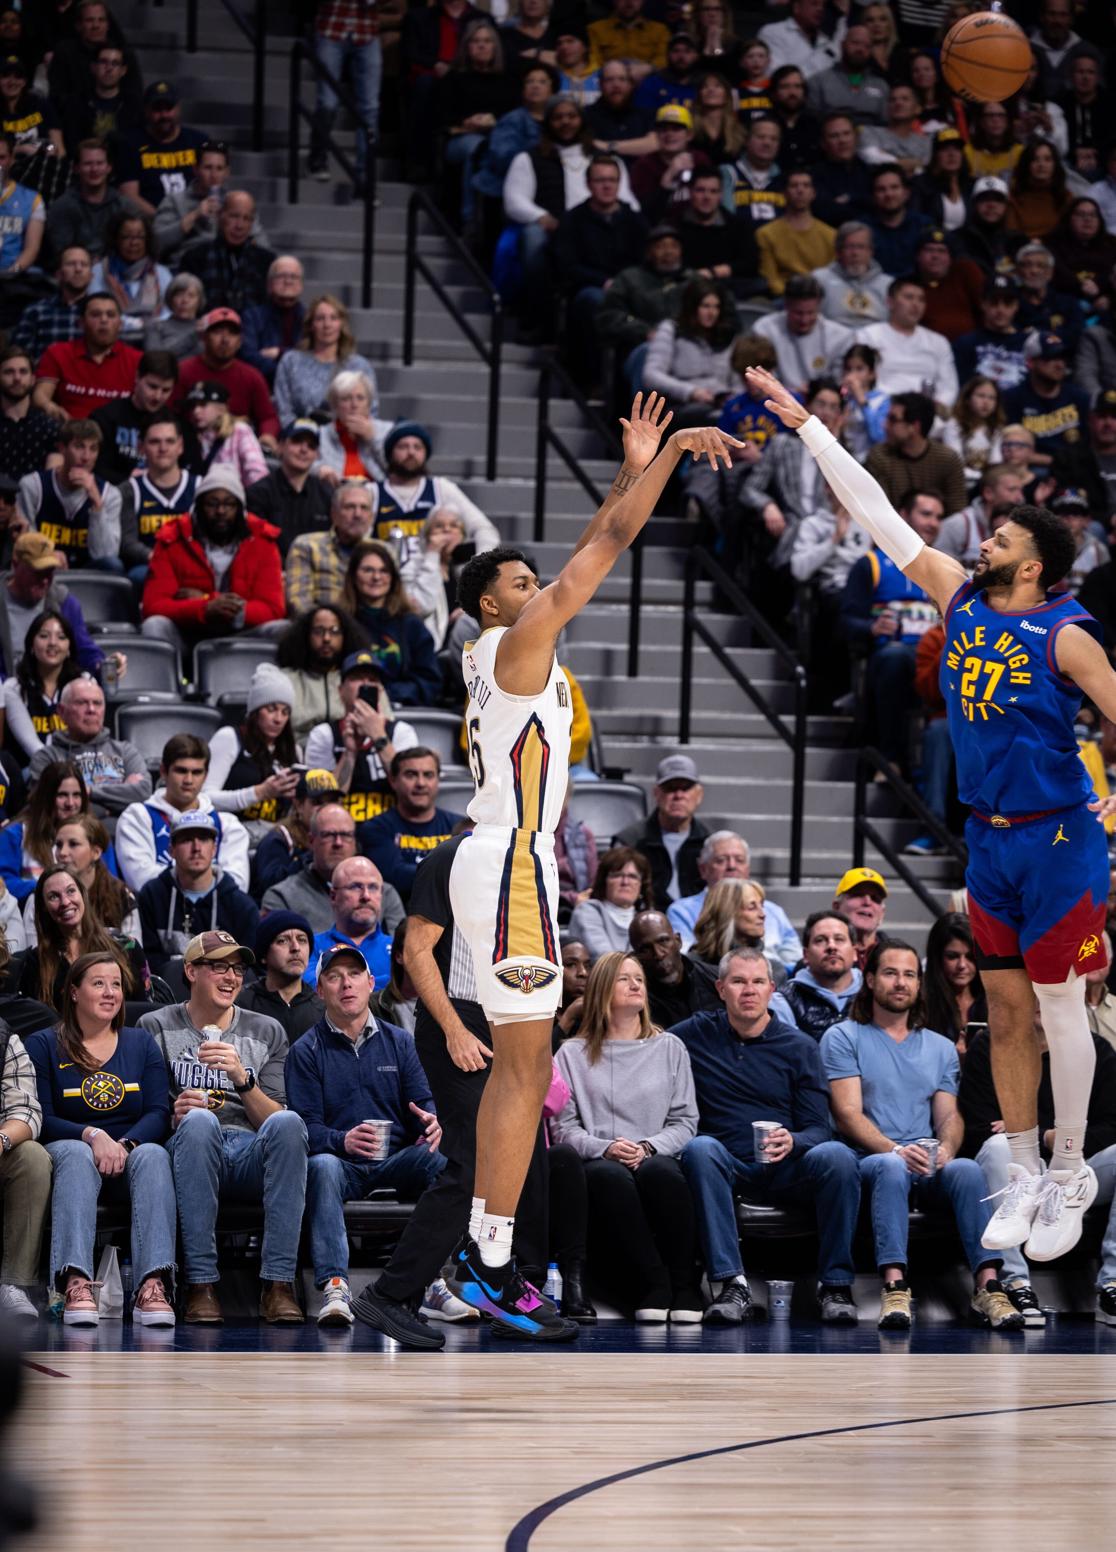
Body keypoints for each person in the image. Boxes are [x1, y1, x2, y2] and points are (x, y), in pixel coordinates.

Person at [751, 356, 1116, 1260]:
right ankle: (1026, 1167)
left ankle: (1071, 1168)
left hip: (1063, 835)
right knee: (1004, 1010)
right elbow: (876, 511)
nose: (979, 541)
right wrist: (810, 427)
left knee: (1063, 1007)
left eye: (997, 537)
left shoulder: (1067, 633)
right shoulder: (956, 594)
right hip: (987, 840)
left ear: (1033, 563)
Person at [444, 397, 740, 1335]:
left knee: (519, 1075)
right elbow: (606, 545)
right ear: (489, 604)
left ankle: (485, 1250)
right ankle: (486, 1256)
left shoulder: (510, 652)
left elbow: (596, 537)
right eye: (522, 581)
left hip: (498, 862)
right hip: (510, 867)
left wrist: (632, 464)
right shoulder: (513, 643)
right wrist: (669, 459)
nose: (541, 589)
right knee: (523, 1075)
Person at [353, 830, 551, 1347]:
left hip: (512, 1019)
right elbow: (416, 950)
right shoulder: (453, 855)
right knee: (471, 1163)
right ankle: (392, 1294)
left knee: (518, 1159)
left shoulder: (537, 857)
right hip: (457, 1021)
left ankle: (496, 1279)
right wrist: (453, 1030)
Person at [821, 940, 1024, 1331]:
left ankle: (989, 1287)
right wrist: (895, 1149)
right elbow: (847, 1113)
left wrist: (947, 1146)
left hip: (925, 1162)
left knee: (966, 1169)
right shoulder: (844, 1036)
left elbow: (949, 1114)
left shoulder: (942, 1047)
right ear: (870, 979)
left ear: (920, 983)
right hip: (870, 1161)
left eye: (909, 974)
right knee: (889, 1167)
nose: (901, 983)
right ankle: (895, 1288)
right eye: (891, 973)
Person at [676, 946, 862, 1324]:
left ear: (771, 990)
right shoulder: (694, 1034)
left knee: (838, 1156)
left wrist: (794, 1141)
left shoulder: (799, 1046)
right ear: (720, 988)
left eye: (758, 981)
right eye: (738, 981)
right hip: (727, 1165)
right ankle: (732, 1284)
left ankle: (835, 1285)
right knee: (699, 1147)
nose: (749, 990)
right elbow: (645, 1041)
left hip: (789, 1167)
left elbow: (819, 1128)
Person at [141, 929, 306, 1324]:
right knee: (198, 1122)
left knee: (290, 1123)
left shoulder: (266, 1030)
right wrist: (173, 1113)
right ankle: (200, 1284)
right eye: (218, 967)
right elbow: (146, 1111)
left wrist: (241, 1078)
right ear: (191, 971)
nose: (231, 977)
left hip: (249, 1151)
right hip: (189, 1148)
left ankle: (279, 1285)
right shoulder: (154, 1026)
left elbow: (275, 1122)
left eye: (237, 969)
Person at [285, 942, 445, 1327]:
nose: (346, 984)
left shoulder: (401, 1042)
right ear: (319, 990)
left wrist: (435, 1121)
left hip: (395, 1160)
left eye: (354, 975)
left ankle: (431, 1282)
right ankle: (335, 1285)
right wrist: (342, 1140)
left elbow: (423, 1101)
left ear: (371, 982)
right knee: (321, 1166)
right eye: (334, 977)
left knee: (439, 1160)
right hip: (341, 1163)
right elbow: (304, 1127)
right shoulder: (305, 1051)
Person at [549, 950, 702, 1321]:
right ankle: (654, 1283)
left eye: (639, 979)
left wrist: (649, 1146)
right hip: (602, 1159)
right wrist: (606, 1148)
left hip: (656, 1153)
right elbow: (562, 1128)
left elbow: (685, 1121)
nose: (636, 984)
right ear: (602, 989)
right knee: (607, 1175)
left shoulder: (669, 1047)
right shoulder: (572, 1053)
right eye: (624, 978)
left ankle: (686, 1286)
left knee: (660, 1172)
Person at [27, 952, 176, 1327]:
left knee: (155, 1154)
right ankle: (75, 1283)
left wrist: (124, 1145)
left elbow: (159, 1112)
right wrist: (93, 1135)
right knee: (77, 1154)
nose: (110, 992)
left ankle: (152, 1285)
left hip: (129, 1153)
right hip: (70, 1147)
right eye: (98, 984)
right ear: (73, 992)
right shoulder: (43, 1045)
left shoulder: (140, 1043)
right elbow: (41, 1117)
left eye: (115, 984)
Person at [141, 467, 286, 655]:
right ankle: (166, 683)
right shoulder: (172, 538)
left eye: (229, 504)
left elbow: (274, 609)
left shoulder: (262, 540)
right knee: (154, 625)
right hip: (188, 632)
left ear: (240, 509)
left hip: (242, 633)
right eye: (212, 504)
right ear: (199, 506)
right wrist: (204, 608)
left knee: (283, 629)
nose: (221, 511)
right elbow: (153, 606)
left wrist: (211, 601)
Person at [115, 732, 249, 896]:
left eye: (197, 772)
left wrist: (180, 875)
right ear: (164, 771)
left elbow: (238, 885)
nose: (189, 780)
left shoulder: (227, 824)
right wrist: (205, 876)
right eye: (181, 771)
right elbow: (142, 881)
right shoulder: (137, 817)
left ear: (206, 775)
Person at [136, 810, 259, 977]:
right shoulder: (151, 896)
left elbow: (247, 970)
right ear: (172, 849)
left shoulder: (241, 906)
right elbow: (146, 962)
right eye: (187, 840)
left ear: (214, 849)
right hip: (165, 996)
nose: (196, 848)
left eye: (203, 839)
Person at [303, 648, 418, 823]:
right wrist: (350, 752)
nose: (365, 684)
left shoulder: (401, 732)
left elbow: (411, 792)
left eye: (372, 680)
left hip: (392, 828)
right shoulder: (324, 735)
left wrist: (379, 737)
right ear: (340, 690)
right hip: (342, 829)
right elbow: (324, 803)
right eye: (357, 678)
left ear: (380, 691)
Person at [20, 864, 146, 1012]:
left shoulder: (127, 947)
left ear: (83, 894)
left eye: (71, 891)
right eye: (53, 896)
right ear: (43, 907)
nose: (65, 902)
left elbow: (144, 1012)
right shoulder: (35, 963)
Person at [28, 675, 150, 819]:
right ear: (61, 711)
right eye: (81, 703)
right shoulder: (47, 758)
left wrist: (90, 792)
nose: (91, 709)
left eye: (97, 703)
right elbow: (50, 806)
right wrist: (112, 806)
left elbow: (143, 793)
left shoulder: (125, 752)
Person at [340, 539, 442, 707]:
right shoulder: (340, 623)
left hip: (405, 712)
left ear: (393, 578)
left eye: (384, 571)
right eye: (368, 570)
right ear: (353, 576)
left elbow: (429, 681)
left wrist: (387, 694)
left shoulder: (412, 625)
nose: (376, 577)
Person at [358, 747, 465, 906]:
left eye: (428, 775)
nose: (421, 783)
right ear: (393, 781)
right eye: (411, 775)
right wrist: (451, 872)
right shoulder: (376, 828)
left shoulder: (459, 826)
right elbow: (395, 877)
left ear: (438, 780)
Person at [16, 419, 121, 571]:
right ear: (62, 448)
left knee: (113, 565)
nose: (86, 457)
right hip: (42, 568)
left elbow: (106, 555)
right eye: (79, 447)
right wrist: (47, 554)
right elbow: (24, 540)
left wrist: (97, 505)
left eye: (93, 449)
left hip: (88, 573)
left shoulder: (109, 494)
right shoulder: (33, 485)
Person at [0, 1009, 51, 1319]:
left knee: (32, 1156)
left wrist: (1, 1139)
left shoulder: (3, 1038)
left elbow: (27, 1112)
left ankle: (13, 1284)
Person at [0, 532, 103, 680]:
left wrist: (103, 665)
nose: (44, 581)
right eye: (37, 572)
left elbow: (84, 650)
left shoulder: (64, 602)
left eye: (49, 572)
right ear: (16, 565)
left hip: (53, 693)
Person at [173, 308, 280, 446]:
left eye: (232, 333)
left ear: (240, 341)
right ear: (204, 337)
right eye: (217, 332)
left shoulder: (252, 376)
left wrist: (267, 435)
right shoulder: (183, 371)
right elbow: (170, 413)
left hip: (238, 445)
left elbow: (268, 417)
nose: (225, 339)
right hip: (190, 444)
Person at [32, 291, 141, 423]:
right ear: (81, 323)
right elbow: (40, 395)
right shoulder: (58, 353)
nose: (104, 320)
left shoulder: (138, 360)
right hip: (69, 434)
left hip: (117, 438)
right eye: (96, 315)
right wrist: (51, 408)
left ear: (120, 324)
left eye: (111, 315)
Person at [308, 0, 383, 189]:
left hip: (367, 33)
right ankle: (317, 158)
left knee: (370, 107)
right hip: (331, 29)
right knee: (328, 102)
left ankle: (364, 178)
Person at [856, 279, 959, 414]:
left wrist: (934, 409)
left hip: (927, 413)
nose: (916, 304)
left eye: (921, 300)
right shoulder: (868, 336)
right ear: (890, 302)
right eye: (909, 297)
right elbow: (859, 379)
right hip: (880, 409)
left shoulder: (939, 342)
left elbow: (949, 388)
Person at [272, 294, 377, 428]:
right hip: (302, 439)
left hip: (347, 438)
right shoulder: (291, 361)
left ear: (341, 324)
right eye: (320, 319)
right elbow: (283, 410)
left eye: (333, 318)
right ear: (311, 325)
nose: (327, 325)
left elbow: (371, 411)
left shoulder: (360, 366)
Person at [117, 413, 197, 581]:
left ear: (180, 446)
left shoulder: (200, 487)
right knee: (139, 575)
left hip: (193, 565)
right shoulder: (129, 490)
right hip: (148, 567)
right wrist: (159, 558)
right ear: (141, 447)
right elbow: (127, 543)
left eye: (170, 441)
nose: (163, 448)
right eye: (155, 442)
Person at [115, 80, 209, 217]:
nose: (164, 115)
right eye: (157, 109)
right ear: (146, 111)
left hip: (196, 218)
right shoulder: (131, 144)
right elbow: (129, 195)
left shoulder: (199, 141)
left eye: (169, 108)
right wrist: (164, 222)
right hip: (149, 225)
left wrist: (192, 218)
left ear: (178, 109)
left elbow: (213, 185)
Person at [0, 761, 88, 905]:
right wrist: (48, 887)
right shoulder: (16, 833)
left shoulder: (93, 835)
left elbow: (106, 880)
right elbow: (3, 883)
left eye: (77, 795)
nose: (71, 803)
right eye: (62, 795)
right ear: (46, 797)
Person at [42, 138, 140, 267]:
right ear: (76, 168)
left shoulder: (124, 206)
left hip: (118, 270)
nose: (94, 169)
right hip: (77, 271)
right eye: (88, 164)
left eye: (99, 163)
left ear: (109, 167)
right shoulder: (62, 207)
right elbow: (61, 253)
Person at [151, 141, 252, 266]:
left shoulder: (236, 202)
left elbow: (260, 242)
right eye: (208, 168)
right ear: (195, 169)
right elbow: (154, 244)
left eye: (219, 169)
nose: (214, 175)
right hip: (185, 270)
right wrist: (195, 215)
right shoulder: (174, 201)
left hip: (224, 268)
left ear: (227, 172)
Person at [285, 481, 376, 618]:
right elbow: (298, 602)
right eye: (350, 507)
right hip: (320, 629)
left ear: (371, 517)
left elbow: (393, 602)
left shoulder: (382, 551)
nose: (358, 514)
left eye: (364, 508)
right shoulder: (306, 546)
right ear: (334, 514)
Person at [244, 420, 332, 562]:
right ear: (280, 446)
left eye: (311, 446)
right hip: (273, 571)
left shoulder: (326, 494)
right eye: (297, 441)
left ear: (316, 454)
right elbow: (255, 544)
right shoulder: (259, 494)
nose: (304, 450)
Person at [88, 348, 177, 485]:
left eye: (166, 390)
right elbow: (95, 468)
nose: (158, 396)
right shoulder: (105, 417)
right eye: (152, 387)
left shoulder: (176, 423)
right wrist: (129, 480)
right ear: (137, 377)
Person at [180, 191, 276, 318]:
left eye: (246, 219)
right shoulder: (195, 258)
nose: (239, 225)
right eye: (234, 216)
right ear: (220, 216)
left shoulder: (267, 261)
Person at [41, 813, 136, 941]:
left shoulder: (122, 895)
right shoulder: (42, 894)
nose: (62, 853)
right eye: (58, 845)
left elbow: (134, 951)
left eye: (73, 844)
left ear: (96, 852)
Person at [863, 397, 965, 516]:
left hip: (938, 530)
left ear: (914, 426)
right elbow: (879, 508)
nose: (884, 425)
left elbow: (957, 511)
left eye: (892, 419)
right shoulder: (880, 456)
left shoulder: (948, 459)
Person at [1001, 330, 1091, 460]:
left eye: (1062, 358)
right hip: (1030, 470)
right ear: (1030, 362)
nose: (1060, 365)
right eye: (1051, 358)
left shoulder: (1080, 398)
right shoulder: (1011, 399)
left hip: (1076, 469)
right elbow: (1012, 451)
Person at [237, 912, 323, 1044]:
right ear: (264, 955)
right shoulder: (240, 1004)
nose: (296, 948)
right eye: (282, 940)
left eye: (302, 940)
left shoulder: (323, 1008)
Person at [88, 211, 171, 345]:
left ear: (147, 240)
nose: (133, 243)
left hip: (154, 338)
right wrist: (134, 324)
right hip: (111, 340)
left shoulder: (161, 272)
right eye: (126, 237)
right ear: (116, 239)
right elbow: (96, 308)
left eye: (140, 237)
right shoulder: (100, 271)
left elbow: (169, 312)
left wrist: (148, 325)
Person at [780, 911, 862, 1039]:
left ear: (855, 952)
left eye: (839, 939)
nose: (831, 946)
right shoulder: (783, 1001)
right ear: (805, 955)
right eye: (820, 940)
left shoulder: (875, 994)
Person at [11, 247, 92, 368]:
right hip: (46, 380)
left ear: (91, 275)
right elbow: (19, 358)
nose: (78, 269)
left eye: (84, 264)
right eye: (71, 264)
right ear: (58, 274)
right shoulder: (36, 311)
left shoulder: (101, 313)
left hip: (88, 380)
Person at [567, 846, 653, 958]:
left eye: (633, 877)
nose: (625, 882)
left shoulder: (648, 919)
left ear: (642, 885)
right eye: (617, 875)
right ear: (604, 881)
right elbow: (605, 959)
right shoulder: (587, 911)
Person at [184, 380, 268, 492]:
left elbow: (256, 471)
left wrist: (255, 501)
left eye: (203, 405)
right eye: (192, 406)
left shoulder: (240, 430)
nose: (196, 411)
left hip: (237, 499)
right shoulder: (189, 435)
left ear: (221, 408)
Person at [0, 347, 62, 487]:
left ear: (33, 379)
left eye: (23, 372)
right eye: (9, 372)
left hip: (36, 504)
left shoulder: (50, 427)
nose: (17, 378)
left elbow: (52, 483)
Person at [925, 910, 987, 1048]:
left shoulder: (992, 1001)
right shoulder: (922, 1004)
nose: (962, 965)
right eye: (952, 956)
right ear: (937, 957)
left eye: (970, 957)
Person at [810, 223, 889, 329]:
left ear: (871, 252)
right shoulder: (819, 279)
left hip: (876, 340)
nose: (855, 253)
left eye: (861, 247)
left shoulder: (887, 284)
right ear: (838, 252)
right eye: (850, 247)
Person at [314, 371, 384, 488]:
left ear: (369, 405)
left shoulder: (385, 431)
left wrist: (373, 439)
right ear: (335, 405)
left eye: (360, 398)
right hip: (334, 497)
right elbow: (302, 463)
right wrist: (319, 469)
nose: (354, 405)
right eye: (346, 399)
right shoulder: (321, 434)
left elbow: (398, 471)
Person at [809, 111, 874, 230]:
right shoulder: (814, 176)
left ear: (855, 137)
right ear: (823, 143)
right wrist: (861, 202)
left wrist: (849, 199)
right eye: (834, 136)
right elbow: (825, 212)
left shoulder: (870, 171)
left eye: (847, 134)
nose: (842, 140)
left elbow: (877, 207)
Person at [942, 376, 1006, 488]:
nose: (986, 402)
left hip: (985, 483)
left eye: (992, 398)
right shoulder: (954, 425)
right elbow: (956, 463)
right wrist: (982, 477)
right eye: (981, 396)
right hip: (959, 482)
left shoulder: (996, 428)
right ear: (967, 399)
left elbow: (995, 461)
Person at [832, 865, 888, 969]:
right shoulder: (818, 958)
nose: (867, 902)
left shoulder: (896, 957)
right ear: (836, 907)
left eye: (875, 898)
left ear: (882, 914)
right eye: (858, 894)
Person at [144, 270, 205, 359]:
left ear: (199, 301)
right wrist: (194, 337)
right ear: (170, 299)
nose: (184, 301)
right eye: (179, 295)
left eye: (191, 296)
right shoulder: (155, 327)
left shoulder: (205, 328)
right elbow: (155, 358)